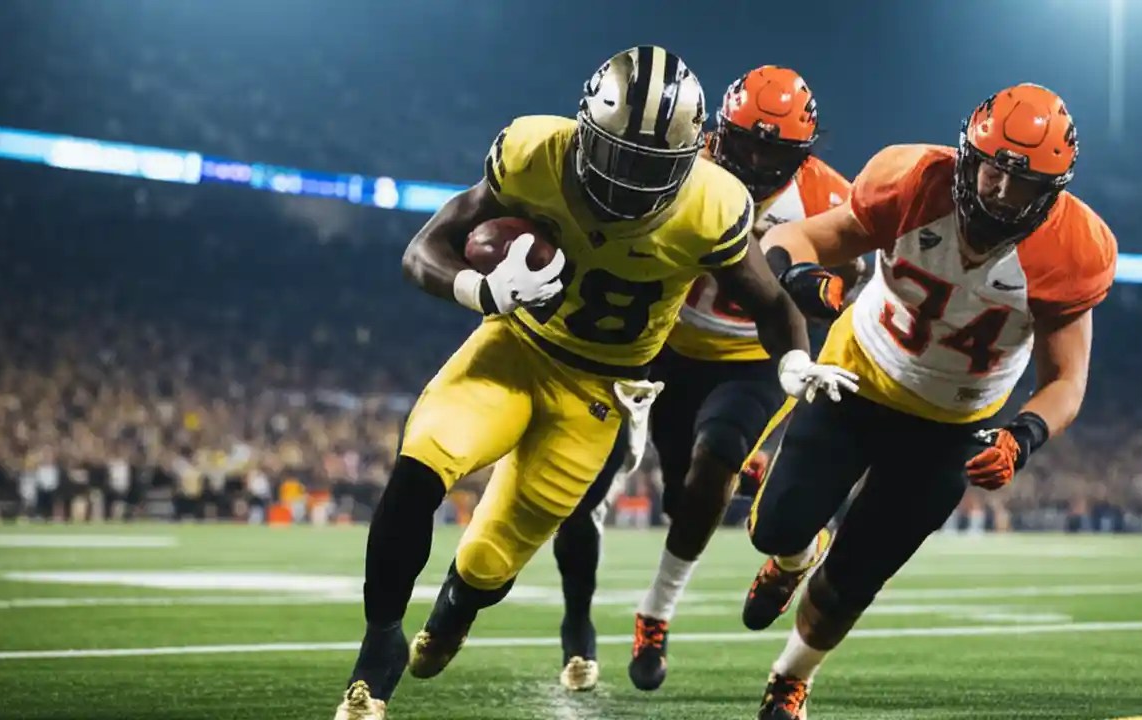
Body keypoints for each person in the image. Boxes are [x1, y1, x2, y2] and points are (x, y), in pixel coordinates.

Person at [332, 45, 858, 720]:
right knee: (421, 464)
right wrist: (480, 288)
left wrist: (788, 362)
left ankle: (458, 604)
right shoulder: (534, 153)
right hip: (516, 349)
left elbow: (773, 304)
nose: (634, 179)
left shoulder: (710, 202)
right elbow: (423, 249)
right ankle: (377, 650)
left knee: (491, 562)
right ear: (584, 131)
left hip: (597, 392)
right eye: (619, 155)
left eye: (654, 166)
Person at [745, 84, 1117, 719]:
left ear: (1053, 191)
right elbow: (790, 243)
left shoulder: (1072, 250)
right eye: (995, 167)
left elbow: (1067, 381)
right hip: (858, 378)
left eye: (1022, 182)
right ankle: (794, 555)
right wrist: (806, 280)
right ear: (969, 152)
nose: (1001, 189)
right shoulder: (914, 181)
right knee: (775, 526)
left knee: (853, 582)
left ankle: (790, 679)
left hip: (953, 423)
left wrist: (1022, 436)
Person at [550, 65, 861, 693]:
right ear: (720, 130)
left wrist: (819, 283)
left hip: (754, 354)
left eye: (773, 149)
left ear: (802, 152)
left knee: (712, 460)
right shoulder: (682, 168)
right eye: (745, 141)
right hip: (660, 342)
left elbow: (849, 270)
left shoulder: (826, 198)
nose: (755, 158)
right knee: (684, 492)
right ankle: (768, 511)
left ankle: (655, 614)